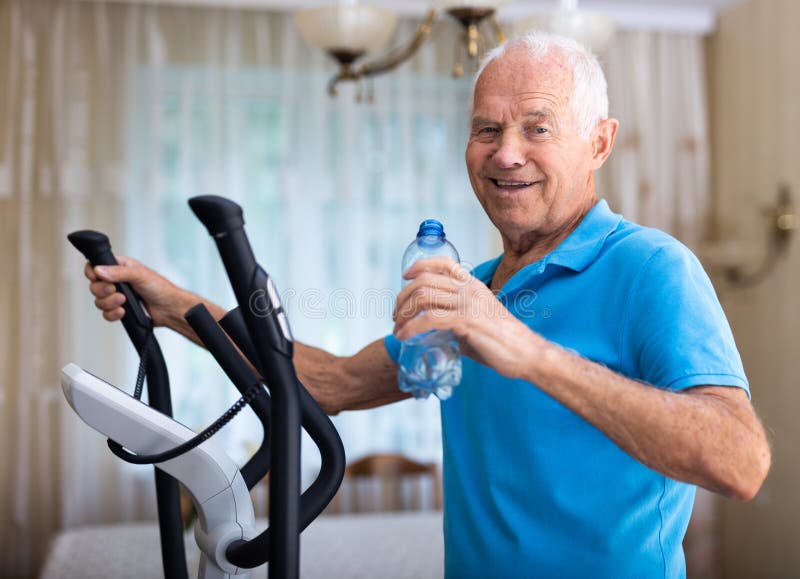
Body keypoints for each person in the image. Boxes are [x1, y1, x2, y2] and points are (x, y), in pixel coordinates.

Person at [84, 32, 770, 578]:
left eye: (538, 128)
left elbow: (741, 461)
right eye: (486, 129)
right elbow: (332, 383)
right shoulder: (469, 289)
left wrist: (528, 351)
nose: (506, 154)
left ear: (599, 142)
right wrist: (178, 309)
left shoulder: (651, 268)